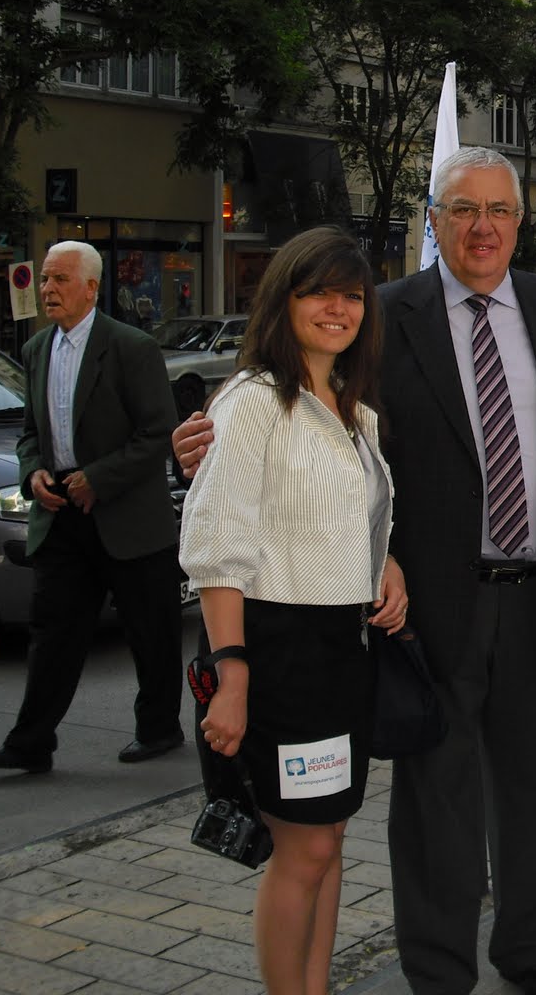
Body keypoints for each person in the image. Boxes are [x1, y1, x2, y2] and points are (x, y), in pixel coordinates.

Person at [175, 147, 536, 995]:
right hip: (428, 603)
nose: (482, 226)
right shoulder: (381, 314)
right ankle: (438, 971)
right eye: (463, 209)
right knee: (434, 794)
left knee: (529, 787)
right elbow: (284, 409)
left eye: (499, 210)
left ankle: (527, 949)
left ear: (520, 222)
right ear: (434, 221)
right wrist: (202, 440)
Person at [179, 226, 406, 995]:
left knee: (329, 840)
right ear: (284, 299)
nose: (338, 309)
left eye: (352, 295)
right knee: (302, 851)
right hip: (277, 650)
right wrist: (232, 674)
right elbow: (219, 546)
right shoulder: (252, 404)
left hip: (343, 649)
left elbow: (339, 518)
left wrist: (384, 565)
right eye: (320, 293)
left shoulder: (351, 410)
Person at [0, 242, 183, 774]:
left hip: (127, 515)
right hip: (60, 512)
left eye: (60, 280)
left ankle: (159, 729)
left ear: (91, 288)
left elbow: (158, 432)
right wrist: (33, 471)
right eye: (44, 279)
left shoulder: (130, 347)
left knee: (150, 632)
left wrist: (99, 478)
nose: (48, 289)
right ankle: (30, 742)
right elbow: (29, 433)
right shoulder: (37, 349)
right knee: (54, 633)